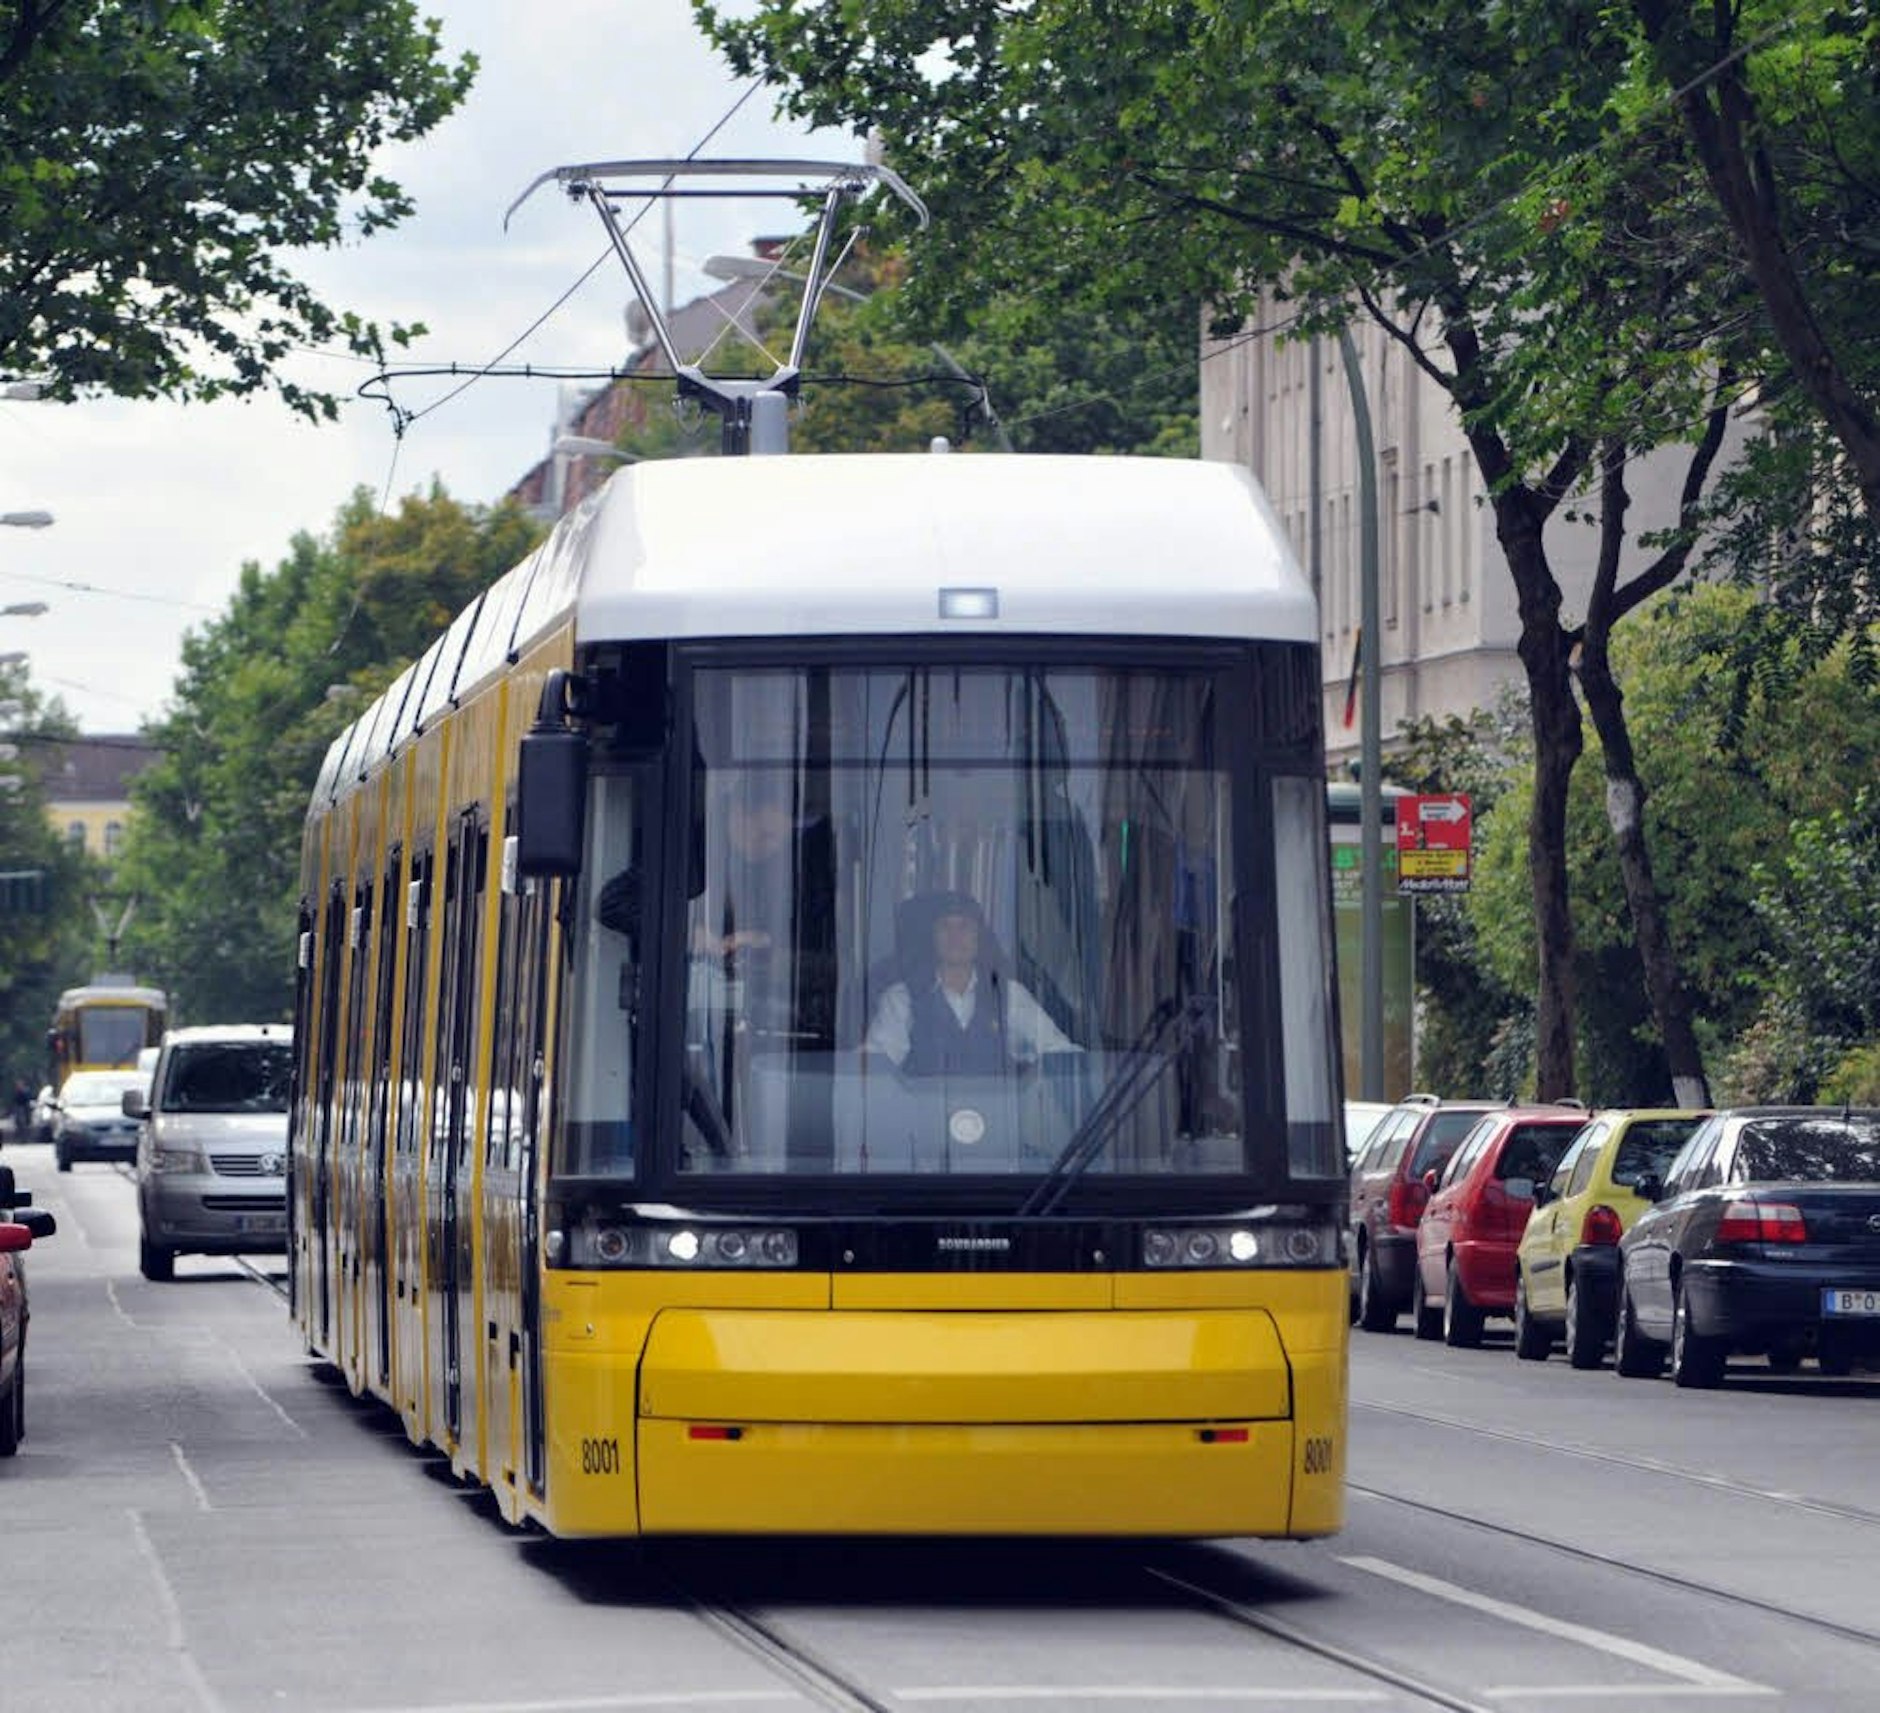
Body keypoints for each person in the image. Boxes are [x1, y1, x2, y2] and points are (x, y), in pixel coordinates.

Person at [864, 891, 1078, 1075]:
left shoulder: (1008, 994)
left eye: (964, 927)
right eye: (945, 927)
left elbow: (1058, 1052)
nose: (955, 937)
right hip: (919, 1120)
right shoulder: (902, 999)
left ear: (979, 936)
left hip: (1002, 1119)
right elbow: (873, 1065)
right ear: (933, 938)